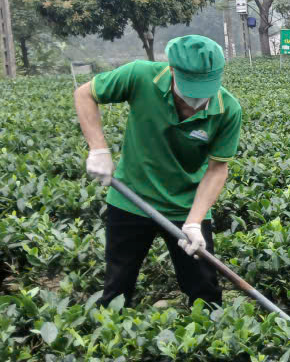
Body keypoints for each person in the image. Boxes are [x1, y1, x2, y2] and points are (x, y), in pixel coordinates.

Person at [74, 35, 243, 308]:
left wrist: (194, 222)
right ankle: (110, 344)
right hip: (131, 198)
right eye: (191, 88)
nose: (197, 100)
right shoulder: (140, 75)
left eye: (205, 89)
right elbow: (85, 94)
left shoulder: (228, 109)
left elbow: (217, 170)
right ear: (172, 70)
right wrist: (98, 149)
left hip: (186, 206)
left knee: (205, 290)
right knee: (118, 283)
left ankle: (212, 344)